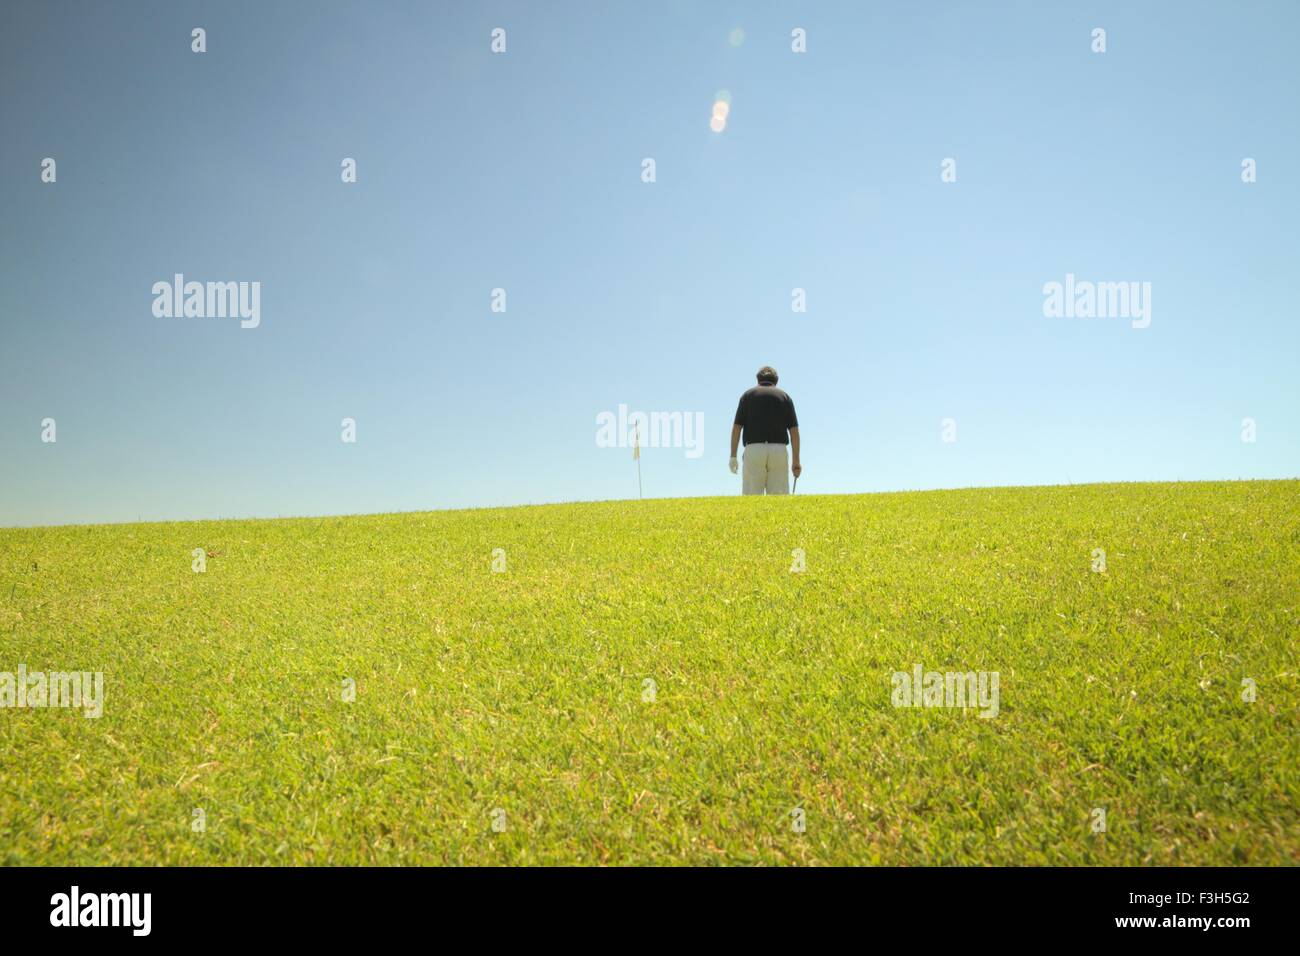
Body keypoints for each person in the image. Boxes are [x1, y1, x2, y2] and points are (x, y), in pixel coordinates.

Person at [729, 366, 800, 495]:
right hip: (778, 450)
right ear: (776, 381)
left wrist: (733, 456)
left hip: (754, 449)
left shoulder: (747, 396)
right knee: (779, 498)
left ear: (758, 380)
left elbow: (736, 428)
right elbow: (794, 432)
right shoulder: (785, 397)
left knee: (752, 496)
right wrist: (796, 460)